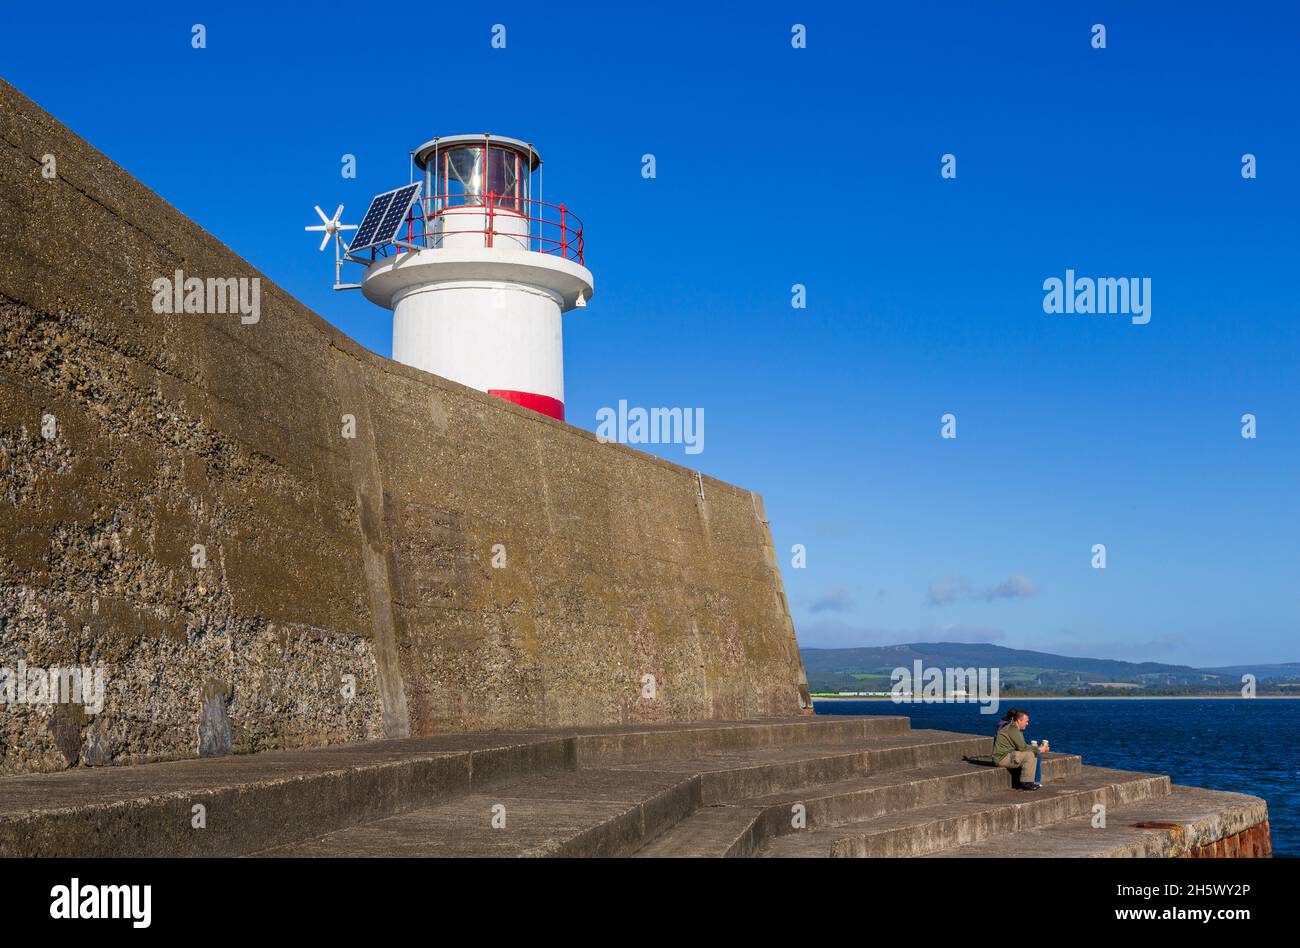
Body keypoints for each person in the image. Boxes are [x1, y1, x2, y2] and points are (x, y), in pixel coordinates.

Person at [992, 708, 1043, 790]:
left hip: (1007, 755)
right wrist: (1038, 749)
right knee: (1030, 755)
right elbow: (1022, 747)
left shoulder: (1016, 729)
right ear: (1019, 721)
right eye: (1026, 721)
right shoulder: (1012, 729)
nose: (1027, 723)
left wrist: (1036, 748)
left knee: (1033, 752)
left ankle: (1033, 781)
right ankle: (1026, 783)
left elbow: (1022, 745)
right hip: (1001, 758)